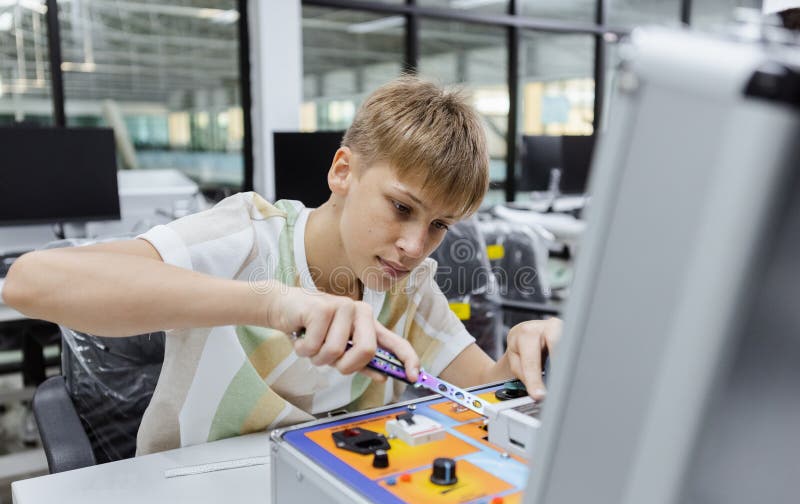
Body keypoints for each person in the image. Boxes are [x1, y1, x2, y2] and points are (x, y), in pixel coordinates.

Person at [2, 76, 562, 455]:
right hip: (195, 494)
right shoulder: (249, 236)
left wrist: (528, 359)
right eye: (401, 208)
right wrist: (274, 301)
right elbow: (30, 281)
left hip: (324, 482)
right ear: (343, 172)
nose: (416, 245)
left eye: (439, 226)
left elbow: (482, 389)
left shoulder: (406, 282)